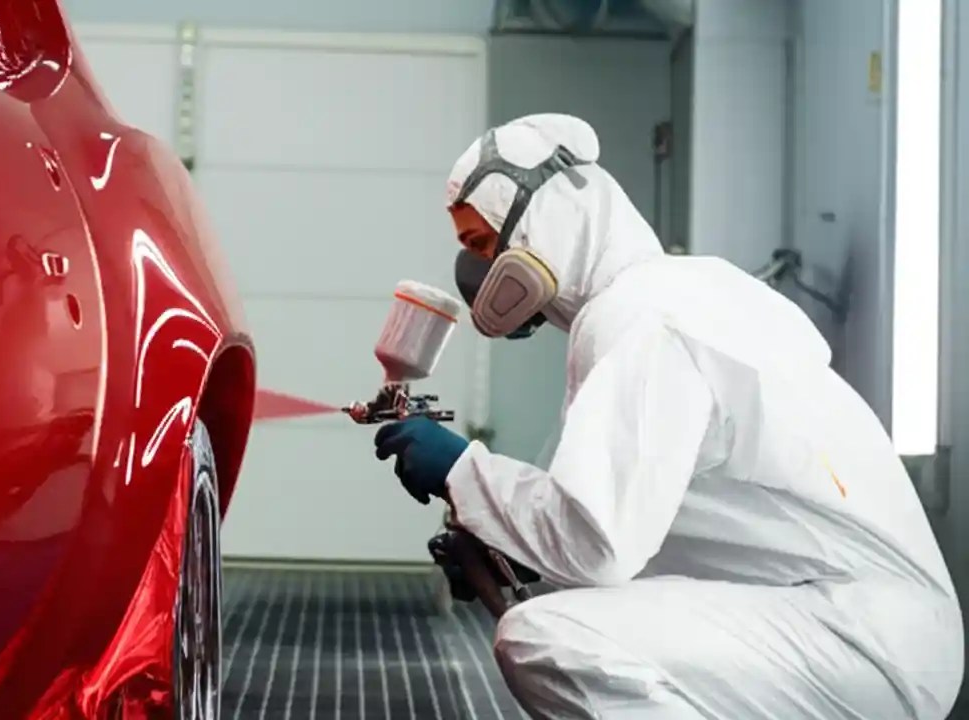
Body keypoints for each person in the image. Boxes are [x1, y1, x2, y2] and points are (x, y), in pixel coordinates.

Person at [373, 113, 963, 719]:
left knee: (548, 641)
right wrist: (513, 549)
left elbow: (595, 545)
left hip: (857, 633)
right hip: (848, 622)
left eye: (481, 244)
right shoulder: (677, 294)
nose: (479, 273)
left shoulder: (645, 319)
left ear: (549, 213)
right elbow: (638, 532)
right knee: (572, 623)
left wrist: (463, 472)